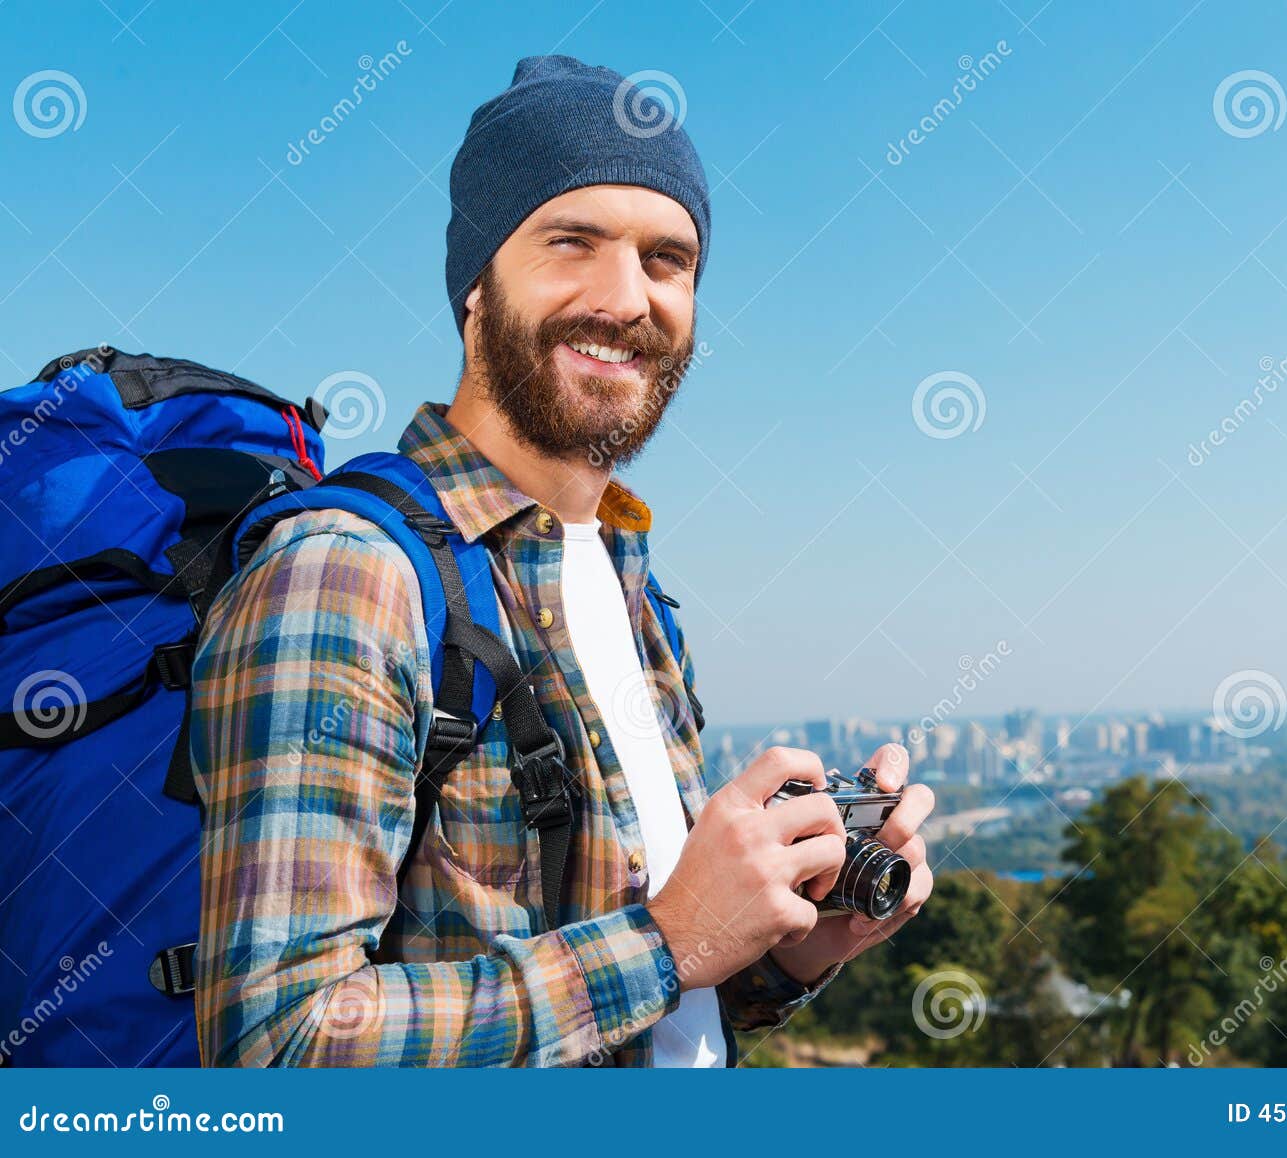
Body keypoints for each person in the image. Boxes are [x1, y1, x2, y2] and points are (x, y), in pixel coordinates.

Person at [189, 54, 934, 1067]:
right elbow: (277, 1046)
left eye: (667, 259)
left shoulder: (635, 586)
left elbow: (650, 1009)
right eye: (570, 242)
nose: (625, 298)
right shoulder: (349, 576)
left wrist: (799, 943)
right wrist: (668, 942)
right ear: (475, 288)